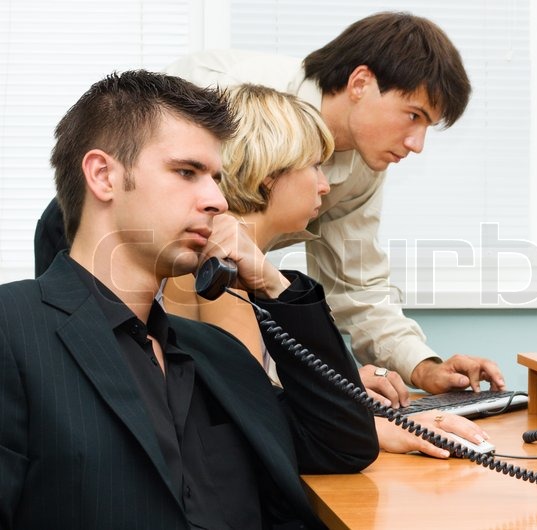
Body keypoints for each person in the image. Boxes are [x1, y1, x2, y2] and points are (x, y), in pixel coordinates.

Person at [1, 70, 378, 530]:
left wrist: (273, 285)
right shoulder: (13, 329)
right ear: (103, 176)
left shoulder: (217, 356)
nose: (218, 200)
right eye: (186, 172)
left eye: (216, 178)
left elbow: (343, 445)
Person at [162, 11, 507, 398]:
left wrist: (423, 367)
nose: (417, 144)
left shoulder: (366, 158)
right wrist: (331, 389)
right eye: (413, 116)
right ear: (360, 83)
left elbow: (355, 285)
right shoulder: (234, 107)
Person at [162, 83, 490, 459]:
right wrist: (379, 426)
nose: (324, 185)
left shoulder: (237, 248)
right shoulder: (226, 262)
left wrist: (341, 386)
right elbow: (251, 412)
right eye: (315, 166)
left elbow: (250, 382)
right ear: (270, 173)